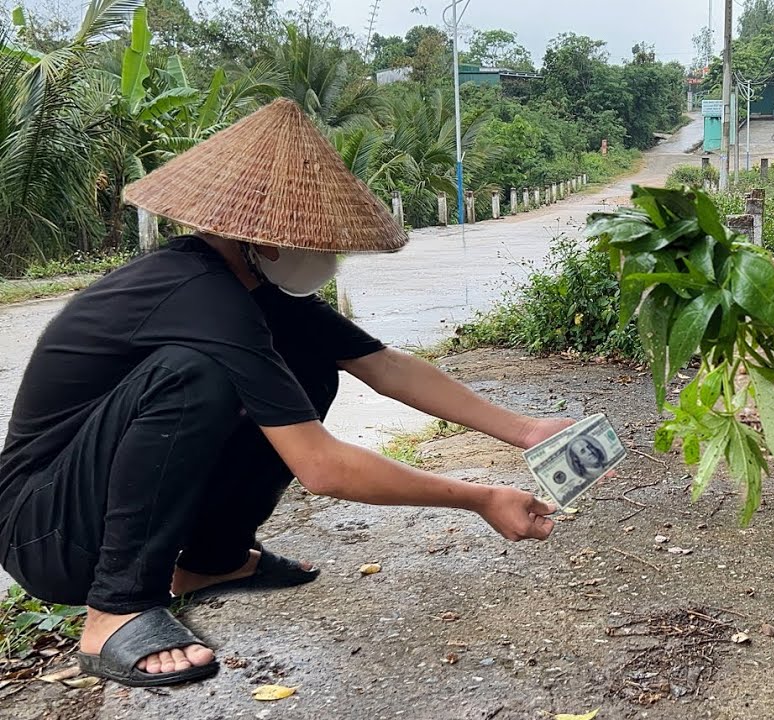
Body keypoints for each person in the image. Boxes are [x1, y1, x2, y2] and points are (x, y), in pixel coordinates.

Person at [0, 99, 571, 688]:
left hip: (81, 508)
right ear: (270, 242)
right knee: (190, 375)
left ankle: (211, 563)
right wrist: (479, 498)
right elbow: (322, 467)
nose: (330, 260)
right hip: (43, 531)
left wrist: (525, 431)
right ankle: (114, 610)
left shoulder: (252, 287)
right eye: (323, 246)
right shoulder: (196, 294)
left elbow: (383, 365)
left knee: (311, 367)